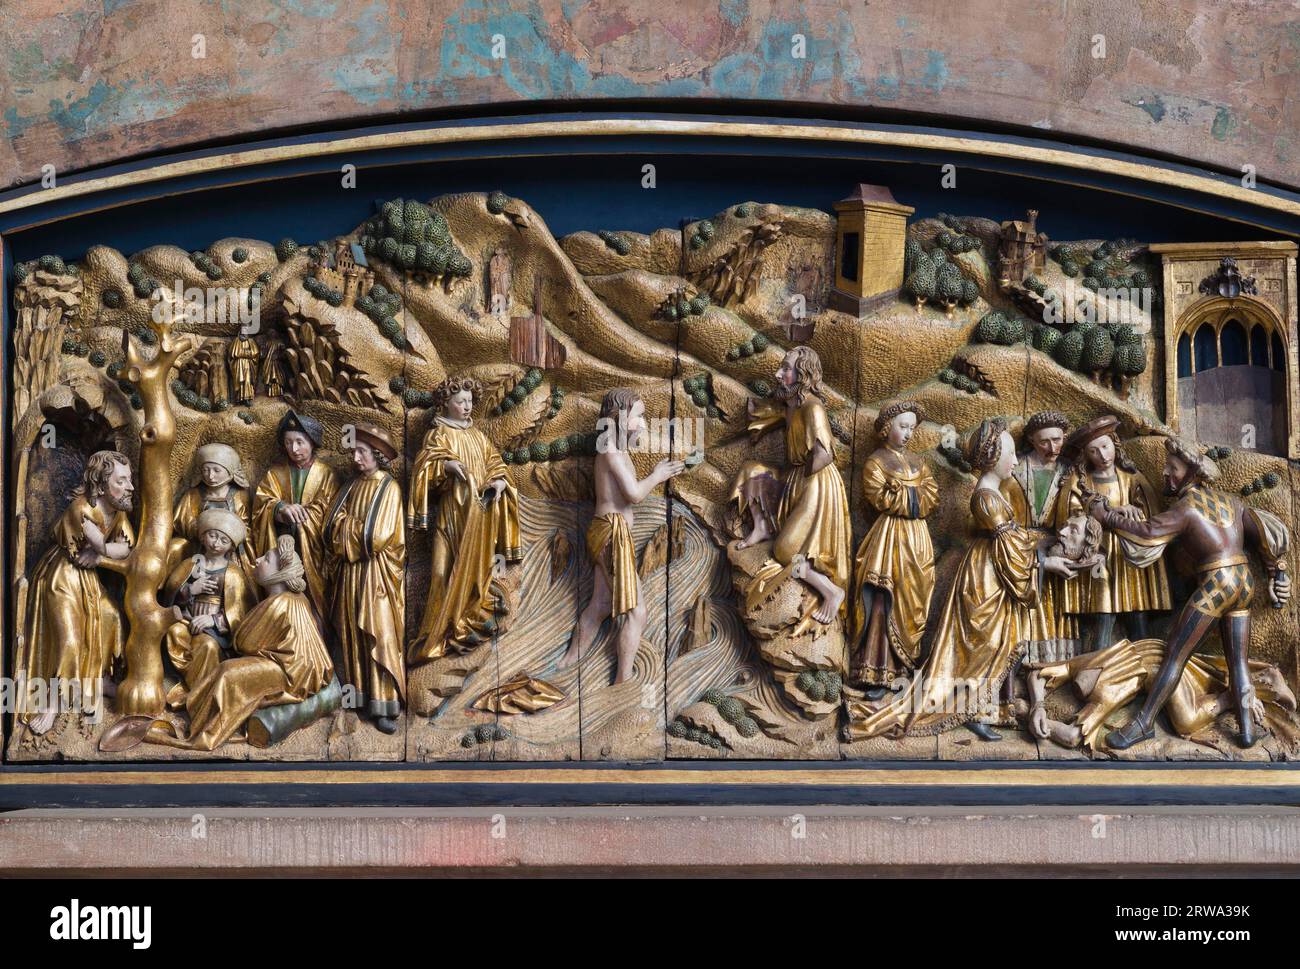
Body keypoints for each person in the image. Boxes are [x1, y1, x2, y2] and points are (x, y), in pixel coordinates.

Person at [845, 418, 1079, 742]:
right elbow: (1007, 542)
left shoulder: (994, 494)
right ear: (994, 458)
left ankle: (995, 709)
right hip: (986, 576)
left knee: (997, 645)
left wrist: (1039, 545)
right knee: (981, 646)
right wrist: (1043, 560)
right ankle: (971, 710)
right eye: (1009, 454)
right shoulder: (985, 497)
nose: (1014, 460)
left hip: (994, 571)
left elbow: (1012, 537)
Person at [1085, 435, 1291, 749]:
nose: (1166, 473)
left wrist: (1107, 517)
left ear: (1191, 473)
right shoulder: (1231, 502)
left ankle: (1143, 723)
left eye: (1173, 468)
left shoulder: (1187, 507)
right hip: (1243, 581)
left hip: (1217, 583)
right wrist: (1277, 570)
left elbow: (1148, 532)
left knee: (1175, 654)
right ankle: (1247, 729)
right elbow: (1263, 533)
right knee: (1238, 661)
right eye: (1167, 466)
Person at [143, 535, 336, 752]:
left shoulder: (280, 603)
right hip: (293, 668)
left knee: (228, 672)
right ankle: (201, 716)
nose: (258, 559)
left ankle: (205, 732)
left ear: (279, 574)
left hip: (292, 674)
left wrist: (217, 622)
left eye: (267, 559)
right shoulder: (288, 599)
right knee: (222, 664)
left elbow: (245, 642)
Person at [557, 389, 684, 684]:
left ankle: (564, 664)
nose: (643, 423)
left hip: (611, 532)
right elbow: (634, 494)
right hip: (612, 534)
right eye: (639, 416)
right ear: (620, 417)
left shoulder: (617, 449)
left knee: (600, 605)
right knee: (636, 612)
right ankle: (622, 684)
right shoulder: (610, 451)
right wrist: (658, 474)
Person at [732, 346, 852, 625]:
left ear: (803, 375)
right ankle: (762, 527)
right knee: (751, 472)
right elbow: (769, 414)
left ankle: (831, 591)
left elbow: (823, 454)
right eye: (782, 367)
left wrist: (802, 474)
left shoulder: (813, 408)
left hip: (817, 485)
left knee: (785, 551)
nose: (778, 374)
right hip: (797, 477)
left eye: (786, 369)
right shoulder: (792, 405)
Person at [17, 450, 135, 735]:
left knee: (110, 618)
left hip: (88, 578)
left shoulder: (117, 511)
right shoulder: (80, 510)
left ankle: (96, 681)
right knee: (69, 640)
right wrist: (105, 554)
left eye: (129, 480)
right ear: (100, 484)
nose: (130, 487)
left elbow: (125, 547)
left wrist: (102, 558)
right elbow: (104, 547)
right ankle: (52, 704)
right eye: (122, 481)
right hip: (62, 577)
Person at [406, 376, 521, 663]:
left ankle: (468, 621)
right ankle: (440, 632)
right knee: (442, 571)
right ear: (447, 403)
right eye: (461, 402)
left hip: (481, 514)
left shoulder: (478, 436)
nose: (467, 407)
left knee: (478, 573)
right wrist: (446, 466)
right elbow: (425, 465)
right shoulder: (439, 434)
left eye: (470, 401)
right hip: (453, 513)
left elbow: (496, 463)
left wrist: (499, 482)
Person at [1054, 415, 1170, 651]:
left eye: (1106, 447)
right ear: (1086, 455)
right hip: (1099, 552)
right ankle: (1098, 663)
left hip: (1129, 555)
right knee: (1103, 610)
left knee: (1137, 609)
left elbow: (1151, 511)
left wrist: (1134, 510)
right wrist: (1108, 511)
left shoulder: (1132, 478)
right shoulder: (1078, 483)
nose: (1103, 456)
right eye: (1094, 451)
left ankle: (1146, 661)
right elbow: (1071, 516)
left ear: (1115, 444)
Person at [848, 400, 938, 698]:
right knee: (882, 599)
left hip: (917, 540)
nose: (909, 433)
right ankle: (876, 671)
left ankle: (903, 670)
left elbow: (931, 497)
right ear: (887, 429)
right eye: (903, 427)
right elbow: (878, 497)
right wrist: (911, 496)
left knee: (912, 597)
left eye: (912, 428)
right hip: (888, 539)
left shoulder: (918, 463)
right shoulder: (876, 462)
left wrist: (905, 493)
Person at [326, 422, 406, 733]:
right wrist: (346, 528)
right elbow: (330, 528)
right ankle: (357, 697)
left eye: (362, 452)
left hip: (376, 575)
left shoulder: (389, 488)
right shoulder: (350, 486)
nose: (356, 458)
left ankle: (385, 703)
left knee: (379, 632)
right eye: (355, 451)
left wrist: (348, 528)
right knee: (351, 635)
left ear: (378, 455)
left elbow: (377, 536)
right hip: (350, 574)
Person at [1000, 410, 1078, 661]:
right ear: (1032, 440)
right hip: (1021, 546)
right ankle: (1020, 662)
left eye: (1057, 440)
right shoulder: (1016, 468)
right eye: (1044, 441)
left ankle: (1051, 666)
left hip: (1057, 545)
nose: (1052, 447)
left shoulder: (1070, 471)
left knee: (1052, 610)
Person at [161, 508, 256, 709]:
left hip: (215, 631)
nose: (216, 543)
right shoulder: (189, 565)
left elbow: (239, 611)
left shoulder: (233, 573)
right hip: (186, 619)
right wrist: (190, 590)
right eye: (212, 535)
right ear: (203, 537)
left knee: (207, 646)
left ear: (231, 545)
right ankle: (176, 681)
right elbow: (169, 595)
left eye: (223, 540)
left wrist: (213, 620)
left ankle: (199, 694)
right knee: (173, 632)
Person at [251, 410, 340, 620]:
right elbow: (262, 503)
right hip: (281, 550)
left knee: (315, 605)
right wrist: (280, 509)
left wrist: (305, 516)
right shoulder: (275, 473)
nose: (294, 448)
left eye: (300, 441)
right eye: (289, 442)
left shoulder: (327, 475)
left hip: (313, 551)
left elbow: (332, 512)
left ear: (312, 442)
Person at [169, 443, 254, 578]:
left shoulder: (239, 495)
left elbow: (245, 526)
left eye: (216, 470)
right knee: (176, 547)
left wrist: (229, 536)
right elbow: (181, 521)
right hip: (198, 545)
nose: (210, 476)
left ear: (230, 470)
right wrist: (203, 531)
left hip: (228, 547)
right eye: (206, 470)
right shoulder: (193, 495)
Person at [227, 334, 260, 405]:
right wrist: (246, 353)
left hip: (248, 364)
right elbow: (233, 354)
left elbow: (255, 353)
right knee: (240, 381)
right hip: (239, 365)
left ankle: (247, 398)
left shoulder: (251, 341)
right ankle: (239, 398)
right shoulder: (236, 340)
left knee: (247, 380)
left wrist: (243, 353)